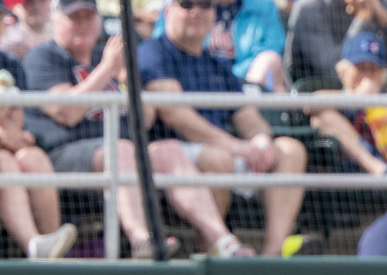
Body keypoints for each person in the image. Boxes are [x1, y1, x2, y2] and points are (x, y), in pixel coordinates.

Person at [24, 0, 251, 258]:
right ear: (56, 21)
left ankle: (221, 240)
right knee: (121, 149)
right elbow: (67, 113)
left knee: (169, 151)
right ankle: (142, 240)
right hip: (65, 154)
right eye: (74, 18)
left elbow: (145, 119)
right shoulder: (44, 57)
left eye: (88, 17)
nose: (83, 25)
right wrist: (107, 69)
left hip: (122, 152)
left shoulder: (103, 57)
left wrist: (126, 77)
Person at [139, 0, 308, 257]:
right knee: (218, 158)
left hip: (224, 152)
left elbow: (248, 118)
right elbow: (176, 115)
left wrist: (260, 141)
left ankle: (273, 254)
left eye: (205, 5)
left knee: (290, 150)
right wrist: (235, 146)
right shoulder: (153, 52)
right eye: (186, 4)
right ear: (168, 11)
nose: (196, 11)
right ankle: (212, 254)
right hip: (170, 157)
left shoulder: (216, 64)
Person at [306, 32, 387, 177]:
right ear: (343, 72)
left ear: (383, 75)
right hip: (354, 171)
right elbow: (309, 104)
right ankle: (379, 169)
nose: (367, 75)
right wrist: (356, 98)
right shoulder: (334, 99)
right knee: (323, 117)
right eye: (361, 67)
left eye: (374, 69)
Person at [0, 59, 76, 258]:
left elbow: (16, 121)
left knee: (34, 158)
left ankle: (53, 249)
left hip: (9, 145)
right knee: (4, 162)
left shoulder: (9, 63)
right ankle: (33, 244)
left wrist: (12, 135)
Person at [152, 0, 287, 93]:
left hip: (248, 80)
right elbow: (162, 43)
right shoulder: (182, 6)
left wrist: (227, 78)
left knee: (269, 60)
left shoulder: (263, 5)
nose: (196, 10)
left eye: (205, 5)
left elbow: (272, 46)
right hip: (192, 75)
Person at [285, 0, 387, 85]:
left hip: (382, 106)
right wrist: (363, 19)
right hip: (324, 107)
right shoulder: (310, 8)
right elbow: (333, 72)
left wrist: (386, 24)